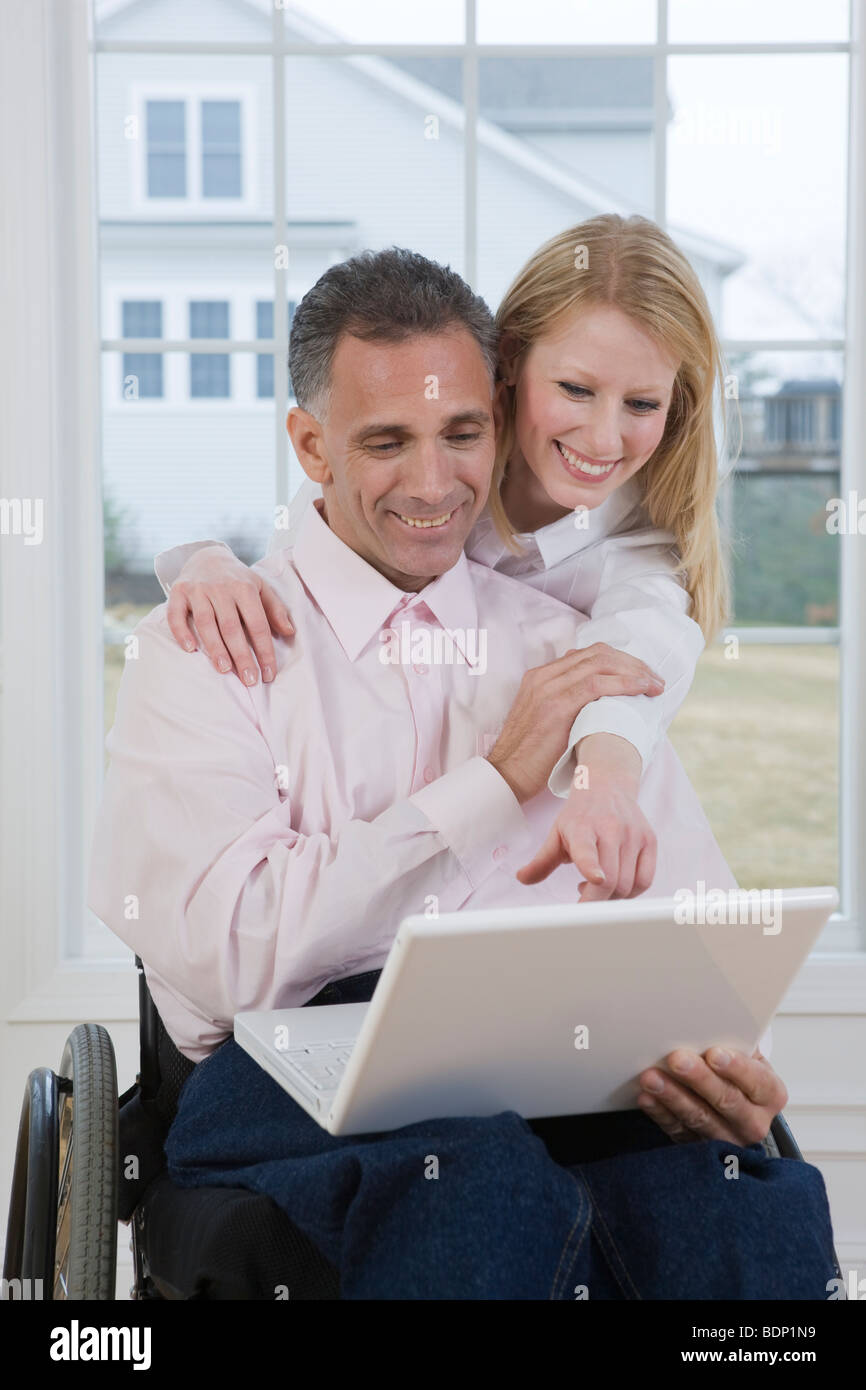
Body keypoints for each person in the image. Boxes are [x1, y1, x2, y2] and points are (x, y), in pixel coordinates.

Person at [88, 247, 836, 1299]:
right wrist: (489, 779)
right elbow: (236, 953)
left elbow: (676, 923)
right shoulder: (213, 644)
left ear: (494, 415)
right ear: (310, 444)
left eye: (461, 435)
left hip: (552, 1062)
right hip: (290, 1067)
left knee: (729, 1200)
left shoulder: (567, 642)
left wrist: (715, 1058)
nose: (433, 484)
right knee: (478, 1183)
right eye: (385, 441)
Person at [153, 214, 730, 900]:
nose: (602, 437)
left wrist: (602, 779)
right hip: (363, 814)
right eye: (575, 390)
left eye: (641, 403)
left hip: (493, 838)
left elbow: (637, 661)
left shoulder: (636, 550)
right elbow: (305, 549)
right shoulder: (425, 461)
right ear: (508, 365)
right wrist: (208, 562)